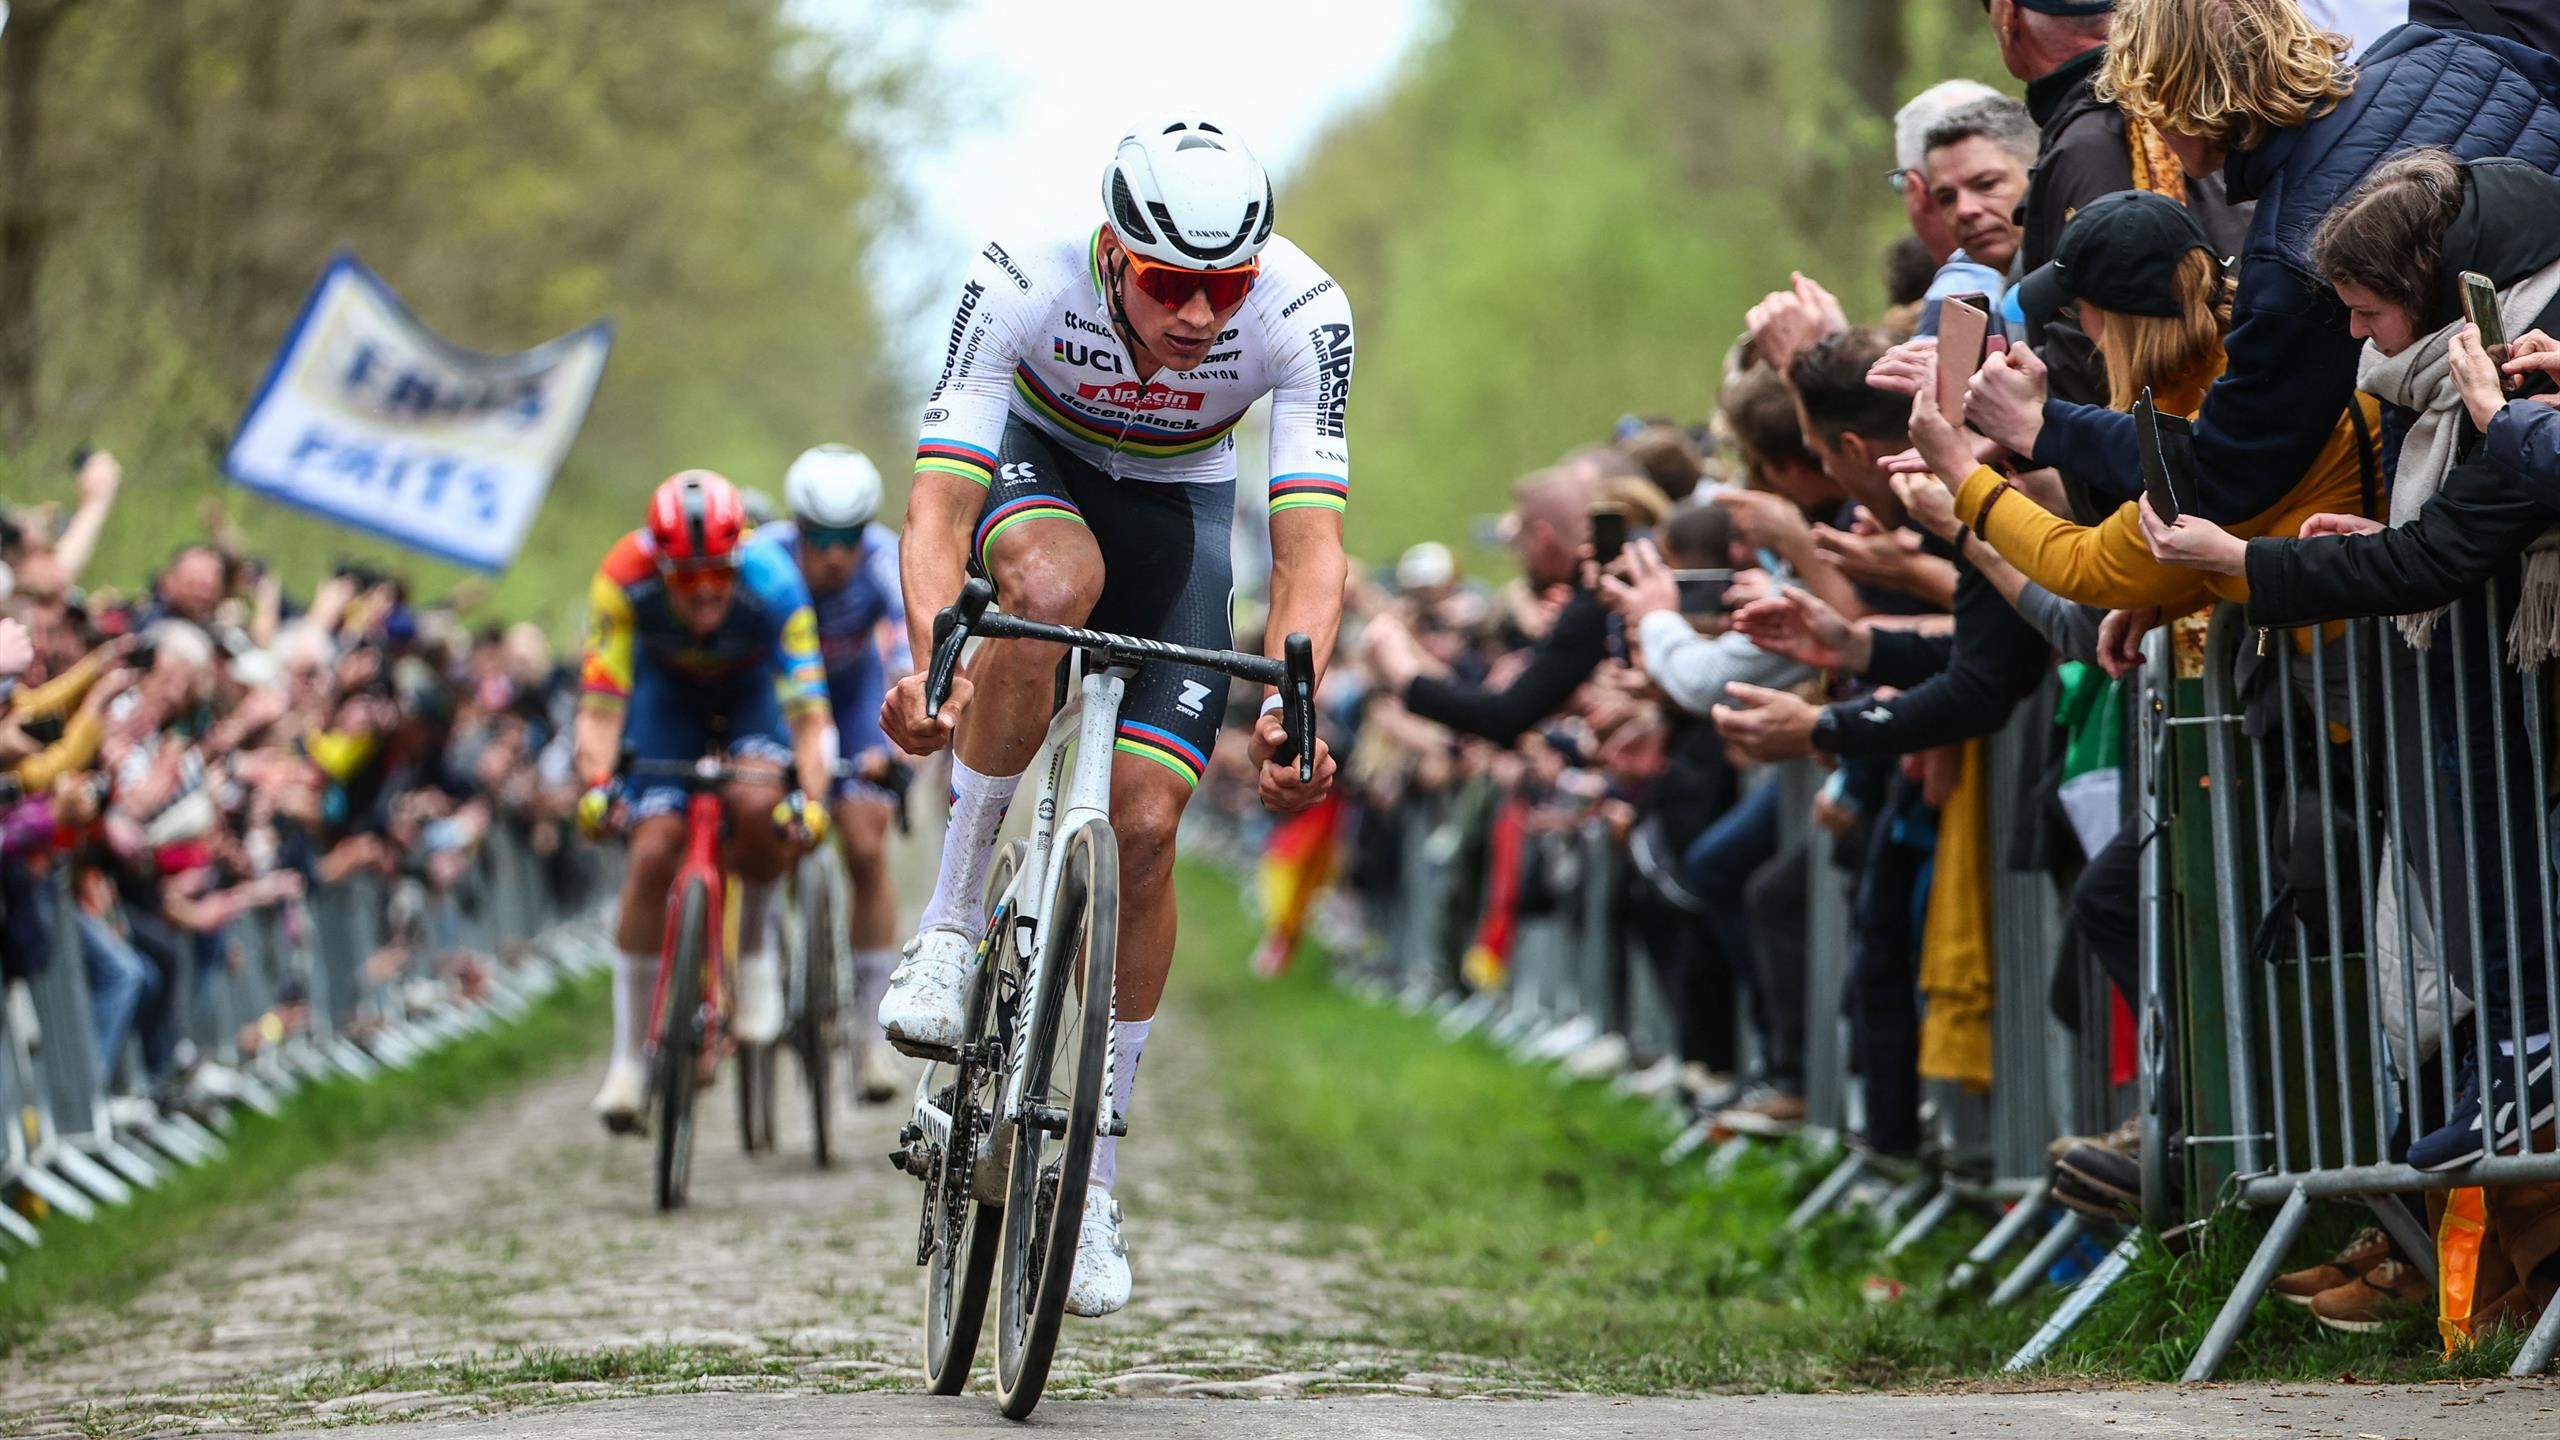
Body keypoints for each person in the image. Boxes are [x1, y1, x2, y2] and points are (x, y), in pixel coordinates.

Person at [878, 118, 1346, 1319]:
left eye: (1223, 286)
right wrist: (936, 662)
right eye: (1168, 283)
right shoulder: (1021, 276)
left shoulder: (1303, 312)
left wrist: (1296, 700)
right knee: (1047, 592)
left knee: (1144, 826)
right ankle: (949, 917)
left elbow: (1309, 545)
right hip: (1041, 473)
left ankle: (1088, 1180)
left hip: (1182, 511)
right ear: (1111, 250)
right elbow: (938, 509)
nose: (1198, 315)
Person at [2143, 150, 2560, 1171]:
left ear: (2431, 290)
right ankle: (2512, 1057)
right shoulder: (2469, 360)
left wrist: (2242, 561)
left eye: (2367, 311)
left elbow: (2441, 555)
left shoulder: (2500, 368)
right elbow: (2432, 538)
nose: (2351, 335)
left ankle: (2527, 1053)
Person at [1962, 0, 2560, 527]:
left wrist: (2041, 424)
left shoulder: (2294, 250)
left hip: (2521, 496)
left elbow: (2226, 468)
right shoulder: (2428, 46)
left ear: (2178, 103)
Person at [574, 471, 837, 1133]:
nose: (703, 591)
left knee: (757, 806)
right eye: (684, 576)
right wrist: (598, 785)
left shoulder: (775, 581)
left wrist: (810, 796)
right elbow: (602, 706)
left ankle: (755, 960)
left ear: (737, 557)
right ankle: (629, 1059)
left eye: (716, 572)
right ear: (658, 565)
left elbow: (809, 716)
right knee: (652, 848)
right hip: (666, 701)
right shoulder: (620, 577)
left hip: (751, 697)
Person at [1981, 0, 2249, 423]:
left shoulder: (2091, 142)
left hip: (2161, 457)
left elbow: (2104, 342)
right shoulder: (2162, 99)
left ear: (2008, 16)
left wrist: (2024, 428)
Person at [754, 444, 913, 1105]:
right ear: (796, 527)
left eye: (847, 537)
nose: (834, 554)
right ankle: (768, 960)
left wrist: (899, 748)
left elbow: (908, 649)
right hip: (774, 703)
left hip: (851, 704)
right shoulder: (763, 557)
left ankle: (871, 1036)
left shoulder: (884, 559)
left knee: (867, 844)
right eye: (819, 538)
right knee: (769, 836)